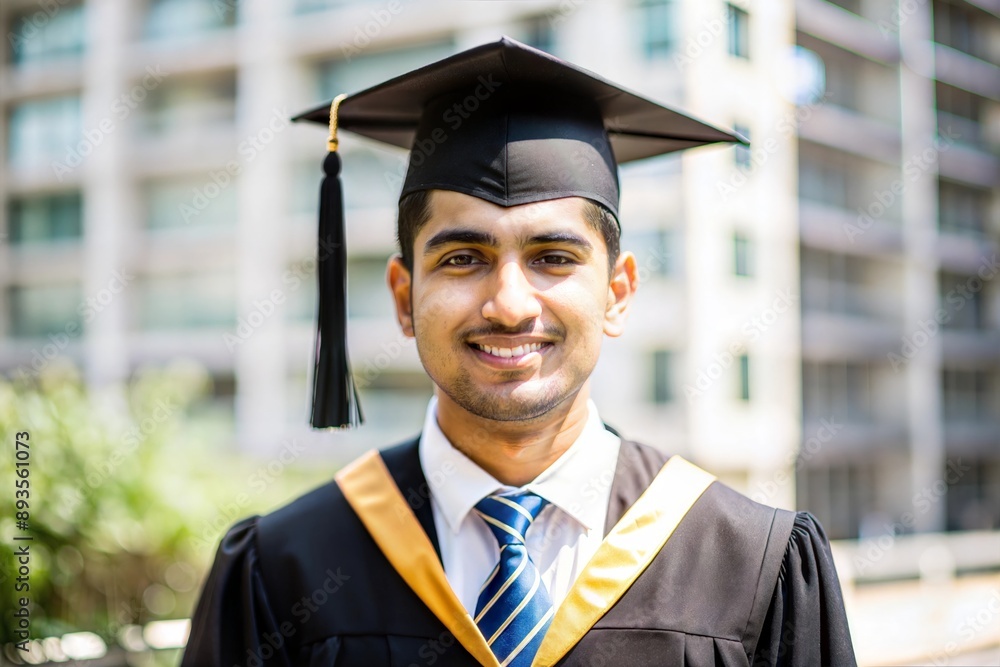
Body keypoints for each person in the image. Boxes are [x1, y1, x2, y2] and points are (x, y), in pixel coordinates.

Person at [181, 38, 857, 667]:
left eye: (553, 257)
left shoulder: (752, 567)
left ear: (618, 292)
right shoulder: (283, 568)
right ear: (403, 296)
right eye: (463, 257)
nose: (509, 303)